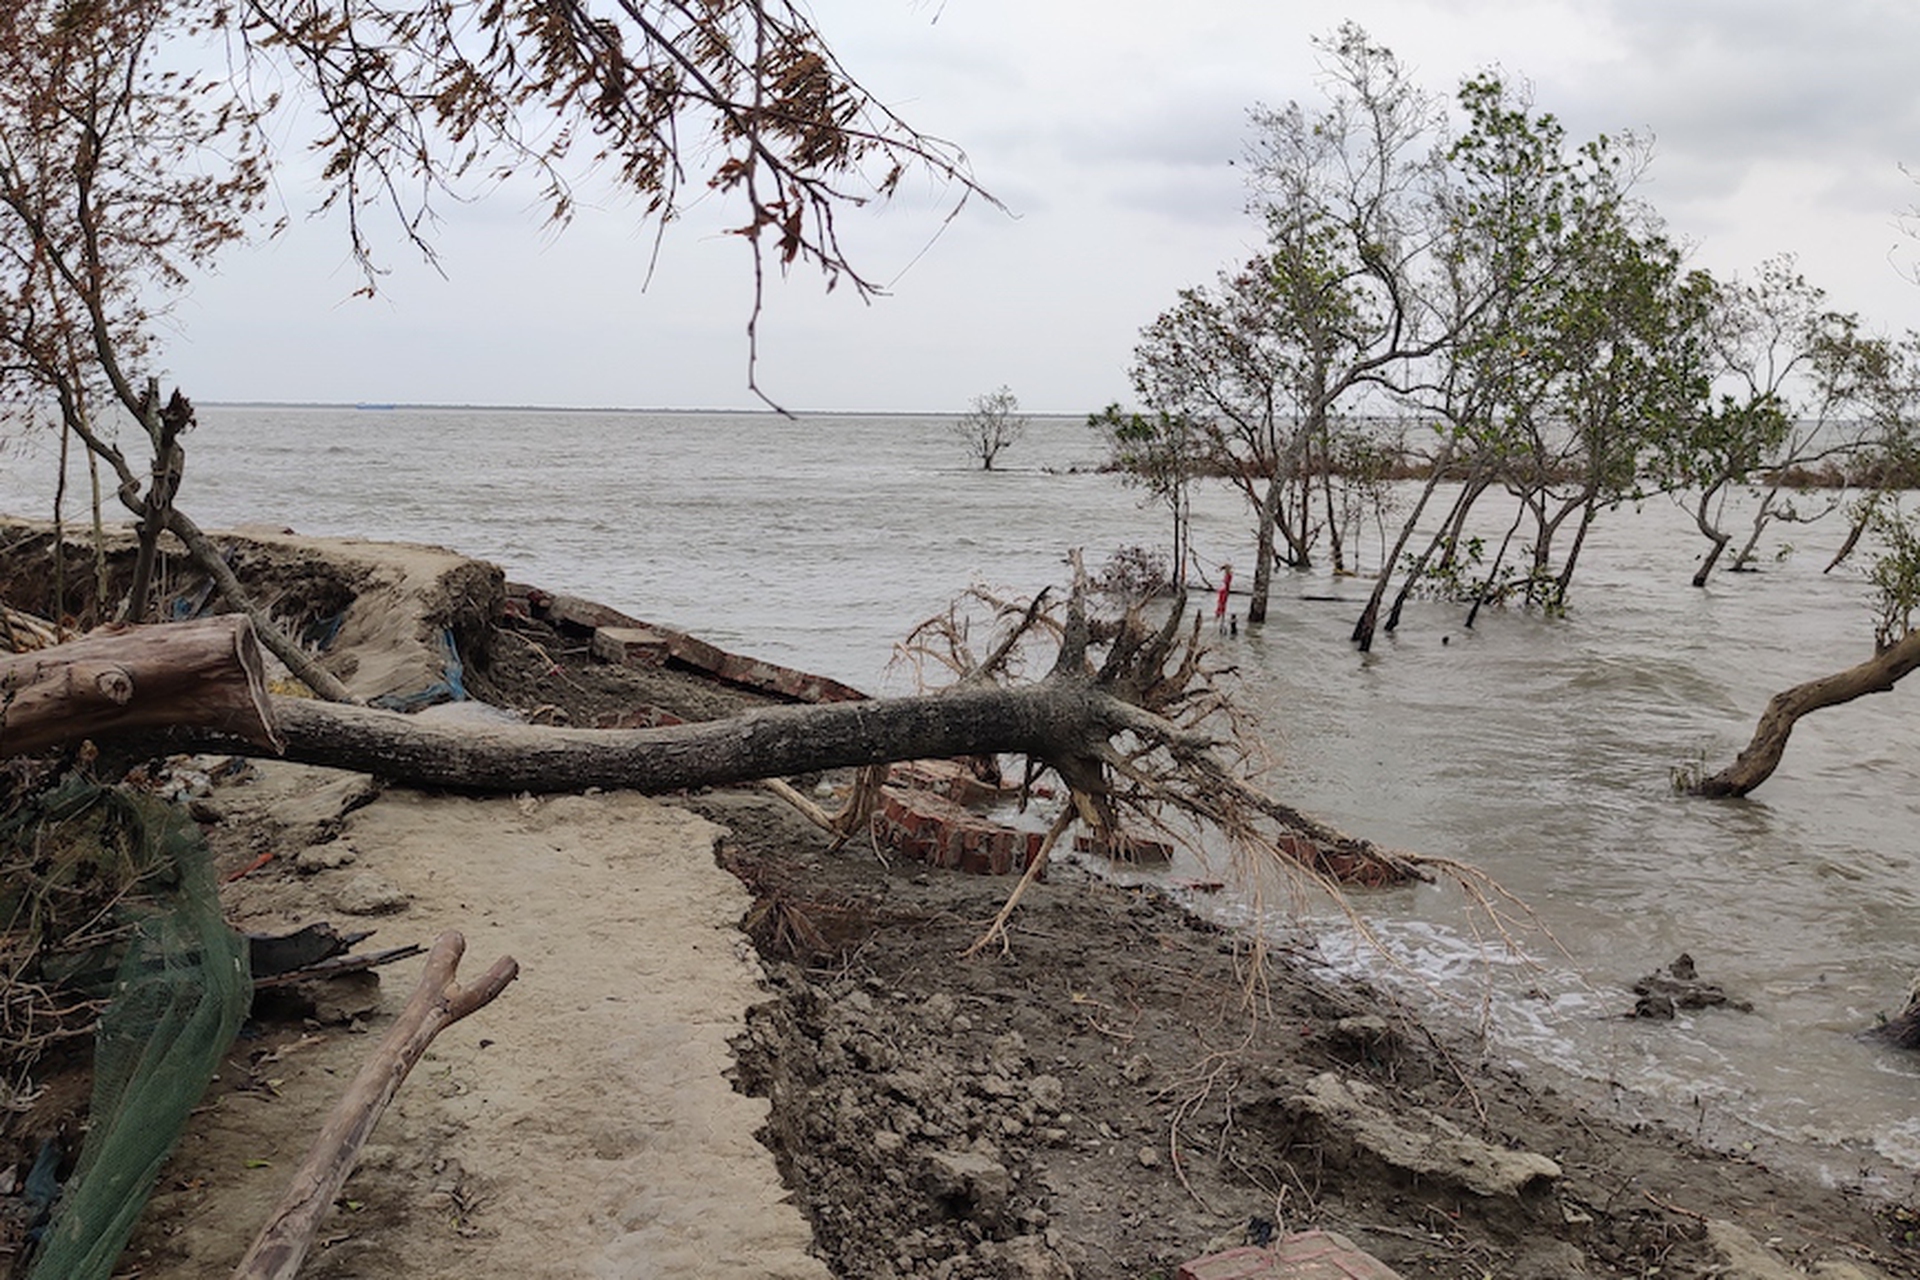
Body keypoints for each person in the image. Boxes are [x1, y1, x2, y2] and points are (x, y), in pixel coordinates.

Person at [1214, 563, 1232, 632]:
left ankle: (1219, 618)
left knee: (1221, 604)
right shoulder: (1227, 575)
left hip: (1224, 591)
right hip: (1223, 591)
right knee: (1221, 604)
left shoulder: (1229, 575)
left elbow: (1227, 584)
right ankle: (1219, 617)